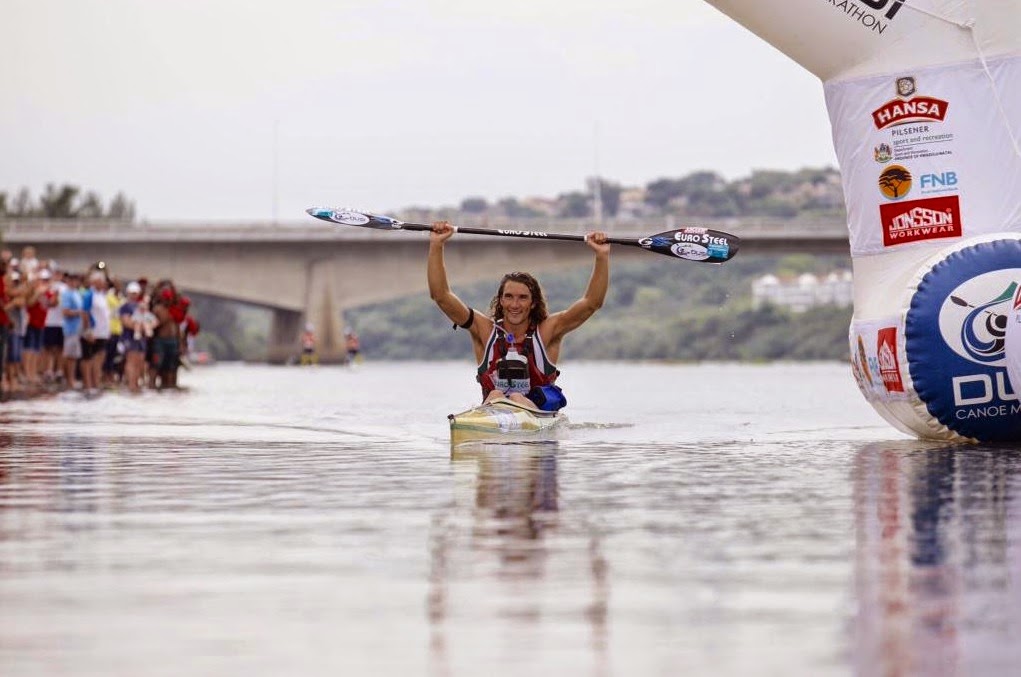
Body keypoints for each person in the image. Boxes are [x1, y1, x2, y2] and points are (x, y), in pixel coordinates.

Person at [427, 220, 610, 410]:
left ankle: (512, 406)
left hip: (536, 419)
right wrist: (436, 245)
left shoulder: (547, 330)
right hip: (493, 409)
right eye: (509, 297)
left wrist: (602, 256)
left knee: (515, 396)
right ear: (501, 300)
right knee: (496, 394)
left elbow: (592, 303)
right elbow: (440, 296)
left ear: (533, 303)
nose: (515, 305)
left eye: (523, 298)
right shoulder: (484, 330)